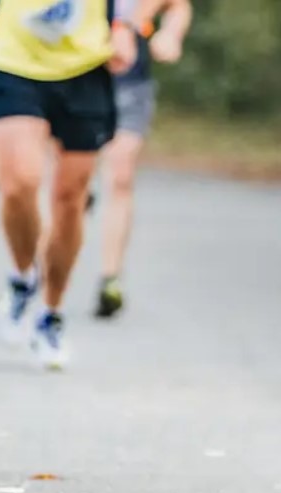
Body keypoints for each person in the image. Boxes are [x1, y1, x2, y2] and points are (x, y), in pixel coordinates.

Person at [0, 0, 141, 369]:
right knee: (19, 183)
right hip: (13, 60)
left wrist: (124, 28)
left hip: (86, 65)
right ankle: (23, 277)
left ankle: (50, 314)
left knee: (70, 199)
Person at [94, 0, 192, 319]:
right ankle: (42, 273)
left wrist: (171, 34)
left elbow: (177, 6)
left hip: (131, 83)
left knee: (120, 176)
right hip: (76, 80)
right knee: (70, 184)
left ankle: (110, 278)